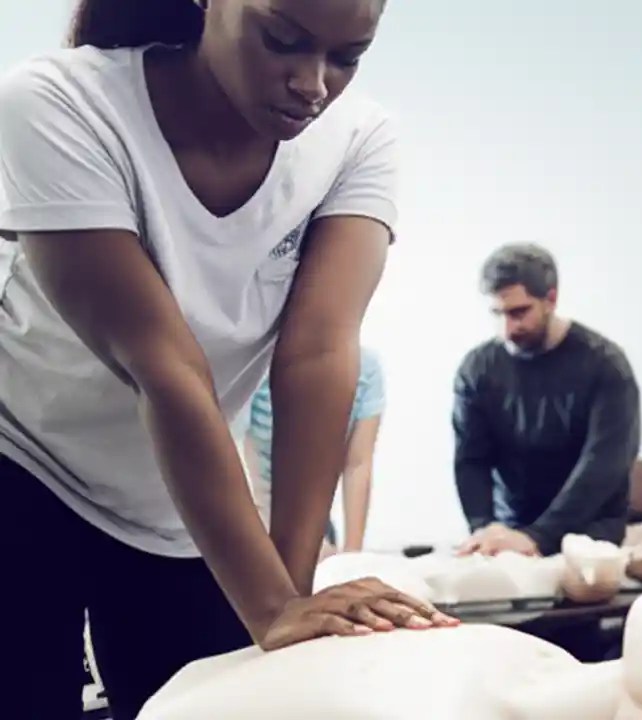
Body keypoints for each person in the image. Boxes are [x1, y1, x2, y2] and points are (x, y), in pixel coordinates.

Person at [0, 2, 454, 718]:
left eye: (347, 58)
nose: (313, 84)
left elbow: (318, 353)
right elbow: (161, 362)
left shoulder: (357, 138)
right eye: (283, 41)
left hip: (175, 501)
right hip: (24, 466)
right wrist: (272, 607)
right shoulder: (57, 101)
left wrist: (293, 600)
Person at [453, 243, 642, 558]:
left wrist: (540, 537)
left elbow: (605, 463)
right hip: (511, 529)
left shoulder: (605, 365)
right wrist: (483, 527)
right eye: (497, 314)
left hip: (589, 532)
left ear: (550, 299)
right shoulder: (477, 369)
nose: (507, 329)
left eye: (518, 312)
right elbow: (470, 459)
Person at [240, 345, 387, 554]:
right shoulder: (256, 366)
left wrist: (351, 555)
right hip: (256, 511)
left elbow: (358, 464)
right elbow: (242, 457)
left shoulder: (366, 368)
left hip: (313, 522)